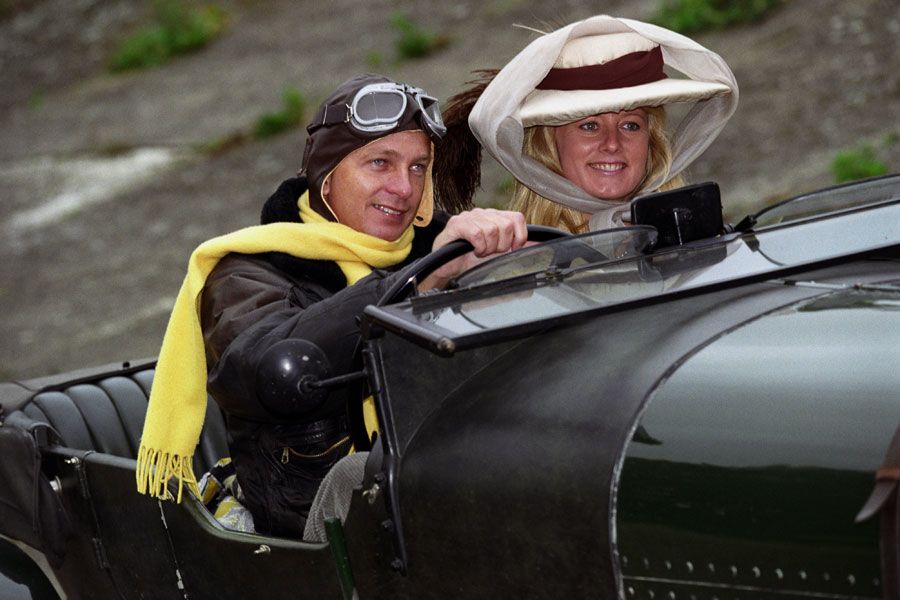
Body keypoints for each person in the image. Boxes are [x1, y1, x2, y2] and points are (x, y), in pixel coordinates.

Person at [136, 73, 527, 539]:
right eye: (380, 163)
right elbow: (260, 368)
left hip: (453, 484)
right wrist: (417, 284)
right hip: (314, 530)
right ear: (326, 174)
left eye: (419, 167)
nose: (404, 188)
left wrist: (508, 269)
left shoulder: (445, 248)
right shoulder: (245, 272)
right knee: (361, 475)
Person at [438, 15, 738, 232]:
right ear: (548, 144)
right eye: (590, 126)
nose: (612, 144)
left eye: (630, 125)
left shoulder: (703, 242)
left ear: (652, 141)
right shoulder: (513, 262)